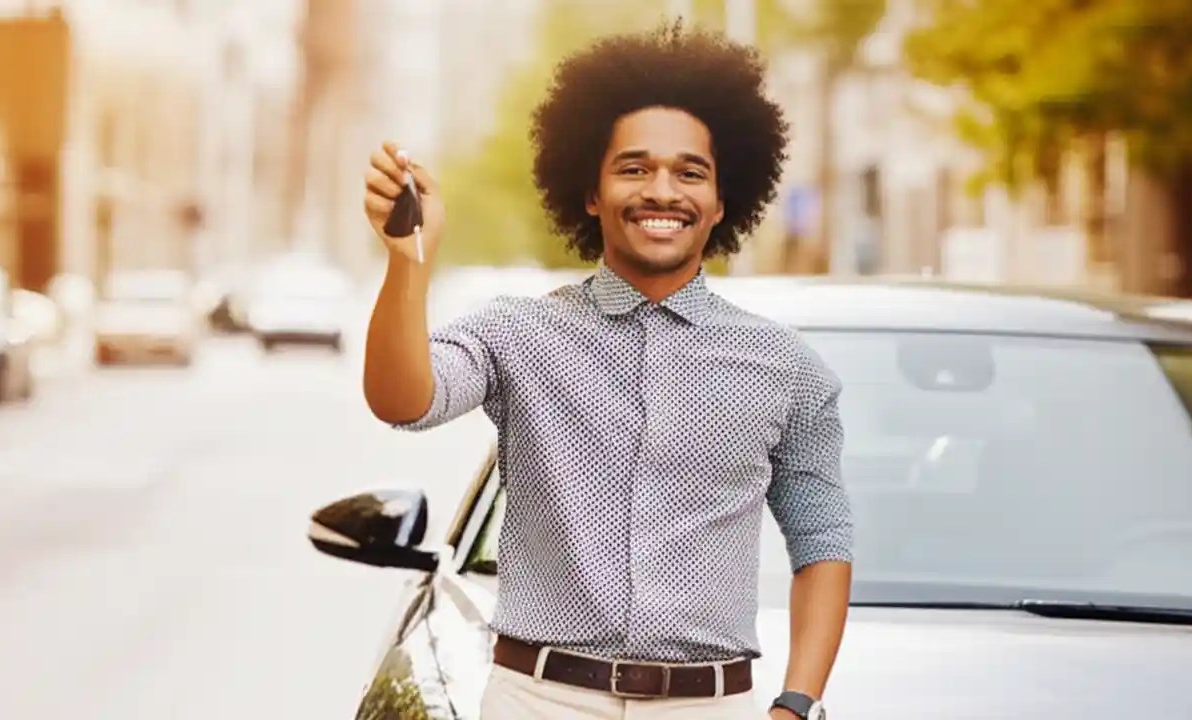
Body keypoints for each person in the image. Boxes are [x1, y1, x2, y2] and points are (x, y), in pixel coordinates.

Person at [361, 21, 852, 720]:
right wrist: (407, 262)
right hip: (539, 700)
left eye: (690, 173)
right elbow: (402, 400)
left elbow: (823, 542)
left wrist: (797, 705)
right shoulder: (517, 334)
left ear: (721, 200)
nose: (662, 191)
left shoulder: (785, 369)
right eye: (633, 168)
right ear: (590, 192)